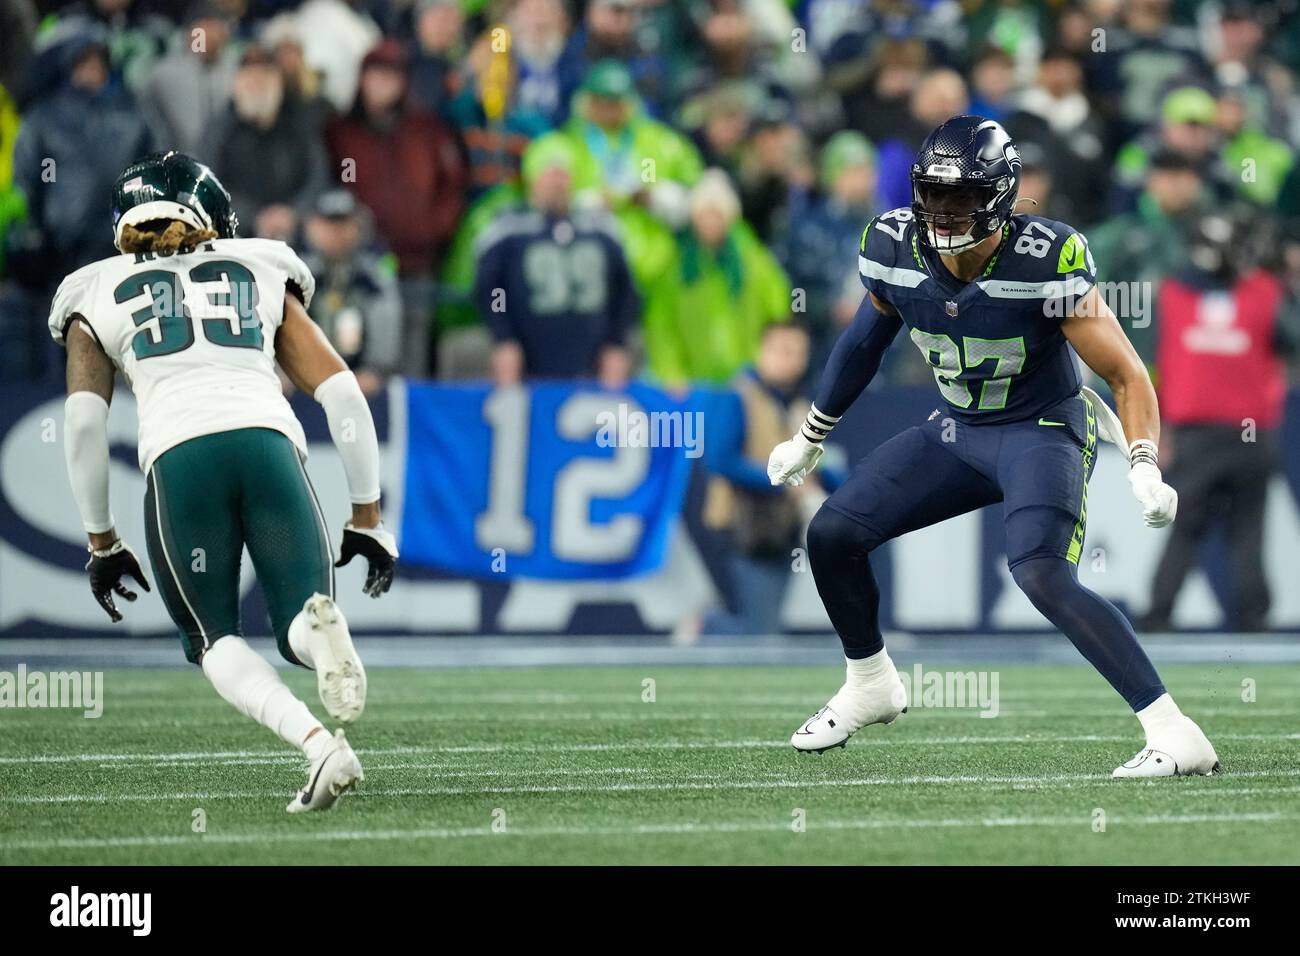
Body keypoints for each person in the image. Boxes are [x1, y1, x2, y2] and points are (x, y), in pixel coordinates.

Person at [767, 116, 1220, 778]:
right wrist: (812, 435)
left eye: (963, 199)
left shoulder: (1045, 258)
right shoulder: (894, 245)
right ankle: (870, 682)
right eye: (933, 196)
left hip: (1043, 425)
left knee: (1040, 573)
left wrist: (1143, 461)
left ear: (1002, 197)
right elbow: (863, 344)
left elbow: (1126, 371)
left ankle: (1175, 732)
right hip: (956, 429)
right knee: (833, 533)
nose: (944, 214)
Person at [49, 152, 399, 812]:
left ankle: (320, 746)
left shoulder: (92, 287)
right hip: (269, 444)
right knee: (299, 616)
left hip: (180, 459)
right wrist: (367, 518)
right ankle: (315, 632)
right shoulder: (260, 265)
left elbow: (84, 426)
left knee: (212, 639)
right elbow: (344, 395)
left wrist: (102, 540)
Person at [1142, 211, 1291, 632]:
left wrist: (1159, 432)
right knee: (1247, 528)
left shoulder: (1171, 294)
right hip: (1250, 434)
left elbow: (1151, 367)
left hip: (1196, 435)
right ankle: (1253, 618)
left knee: (1185, 526)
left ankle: (1159, 614)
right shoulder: (1263, 292)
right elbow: (1291, 340)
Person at [473, 138, 636, 387]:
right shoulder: (509, 228)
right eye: (550, 174)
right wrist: (503, 336)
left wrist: (616, 342)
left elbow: (623, 292)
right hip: (528, 362)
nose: (558, 184)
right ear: (533, 179)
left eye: (563, 175)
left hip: (591, 363)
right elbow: (493, 289)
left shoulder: (600, 228)